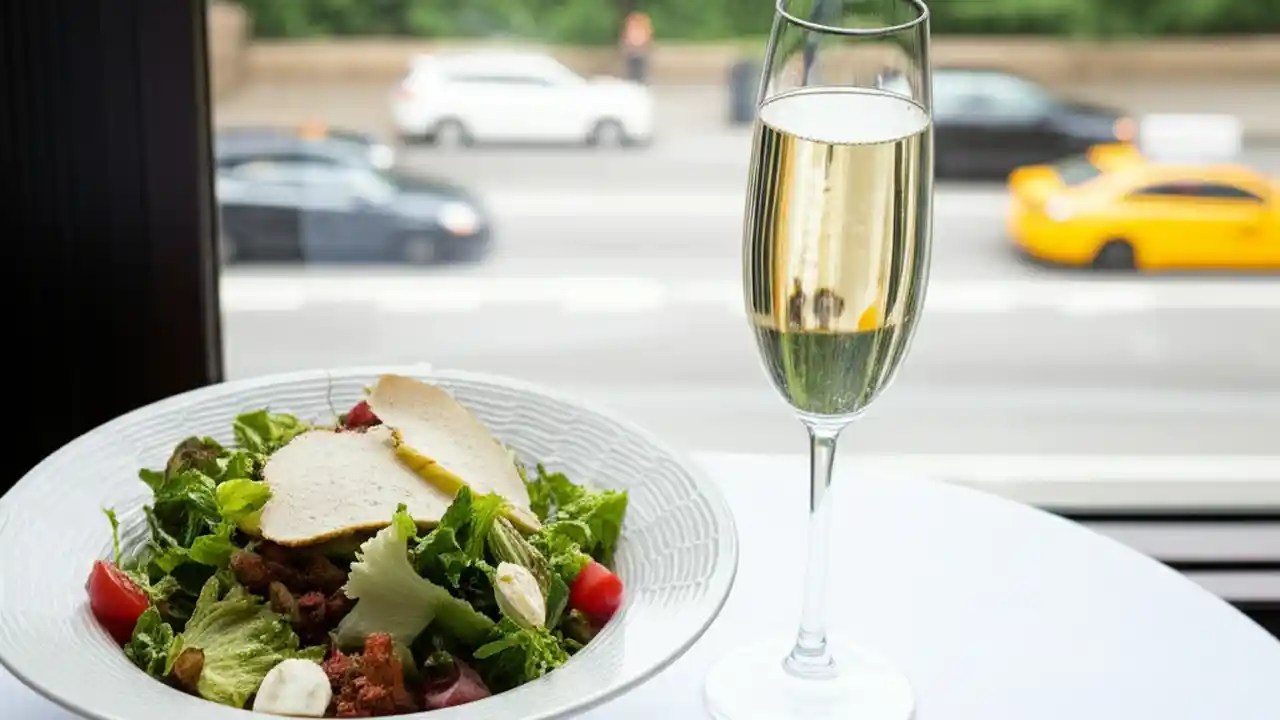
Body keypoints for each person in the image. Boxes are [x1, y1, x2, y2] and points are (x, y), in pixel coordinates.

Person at [620, 10, 654, 84]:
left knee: (641, 71)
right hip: (631, 53)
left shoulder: (644, 27)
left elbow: (647, 38)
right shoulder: (631, 27)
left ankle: (641, 82)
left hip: (641, 53)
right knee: (631, 71)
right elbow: (626, 38)